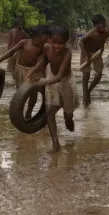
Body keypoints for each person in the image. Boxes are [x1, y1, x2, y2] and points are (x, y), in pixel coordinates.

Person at [26, 25, 79, 153]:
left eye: (60, 43)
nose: (56, 46)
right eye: (54, 42)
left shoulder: (67, 54)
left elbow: (60, 75)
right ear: (49, 40)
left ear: (65, 43)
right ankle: (56, 143)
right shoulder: (46, 47)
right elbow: (44, 61)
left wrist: (41, 83)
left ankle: (69, 119)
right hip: (51, 79)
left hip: (66, 82)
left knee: (68, 113)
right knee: (49, 111)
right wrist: (31, 72)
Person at [0, 25, 51, 119]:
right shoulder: (24, 42)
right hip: (20, 70)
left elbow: (43, 61)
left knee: (34, 96)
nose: (47, 38)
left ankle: (29, 113)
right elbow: (11, 52)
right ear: (37, 36)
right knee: (21, 94)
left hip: (33, 71)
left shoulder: (43, 48)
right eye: (45, 36)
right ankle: (18, 114)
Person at [79, 14, 109, 107]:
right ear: (95, 26)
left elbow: (103, 40)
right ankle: (85, 99)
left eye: (104, 25)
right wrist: (86, 56)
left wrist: (102, 50)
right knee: (86, 75)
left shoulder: (107, 32)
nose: (103, 28)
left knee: (99, 73)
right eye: (100, 26)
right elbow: (80, 42)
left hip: (96, 53)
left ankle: (88, 91)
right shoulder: (91, 33)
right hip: (86, 52)